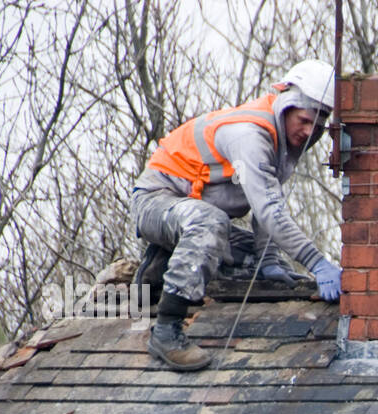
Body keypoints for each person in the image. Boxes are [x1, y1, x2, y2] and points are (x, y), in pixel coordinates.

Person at [130, 59, 343, 371]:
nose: (310, 131)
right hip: (157, 202)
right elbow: (269, 211)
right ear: (287, 106)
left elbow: (267, 199)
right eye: (304, 120)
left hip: (189, 211)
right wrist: (316, 262)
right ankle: (166, 330)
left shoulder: (285, 137)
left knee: (251, 262)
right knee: (210, 226)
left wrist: (268, 259)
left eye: (318, 126)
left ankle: (161, 265)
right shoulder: (251, 135)